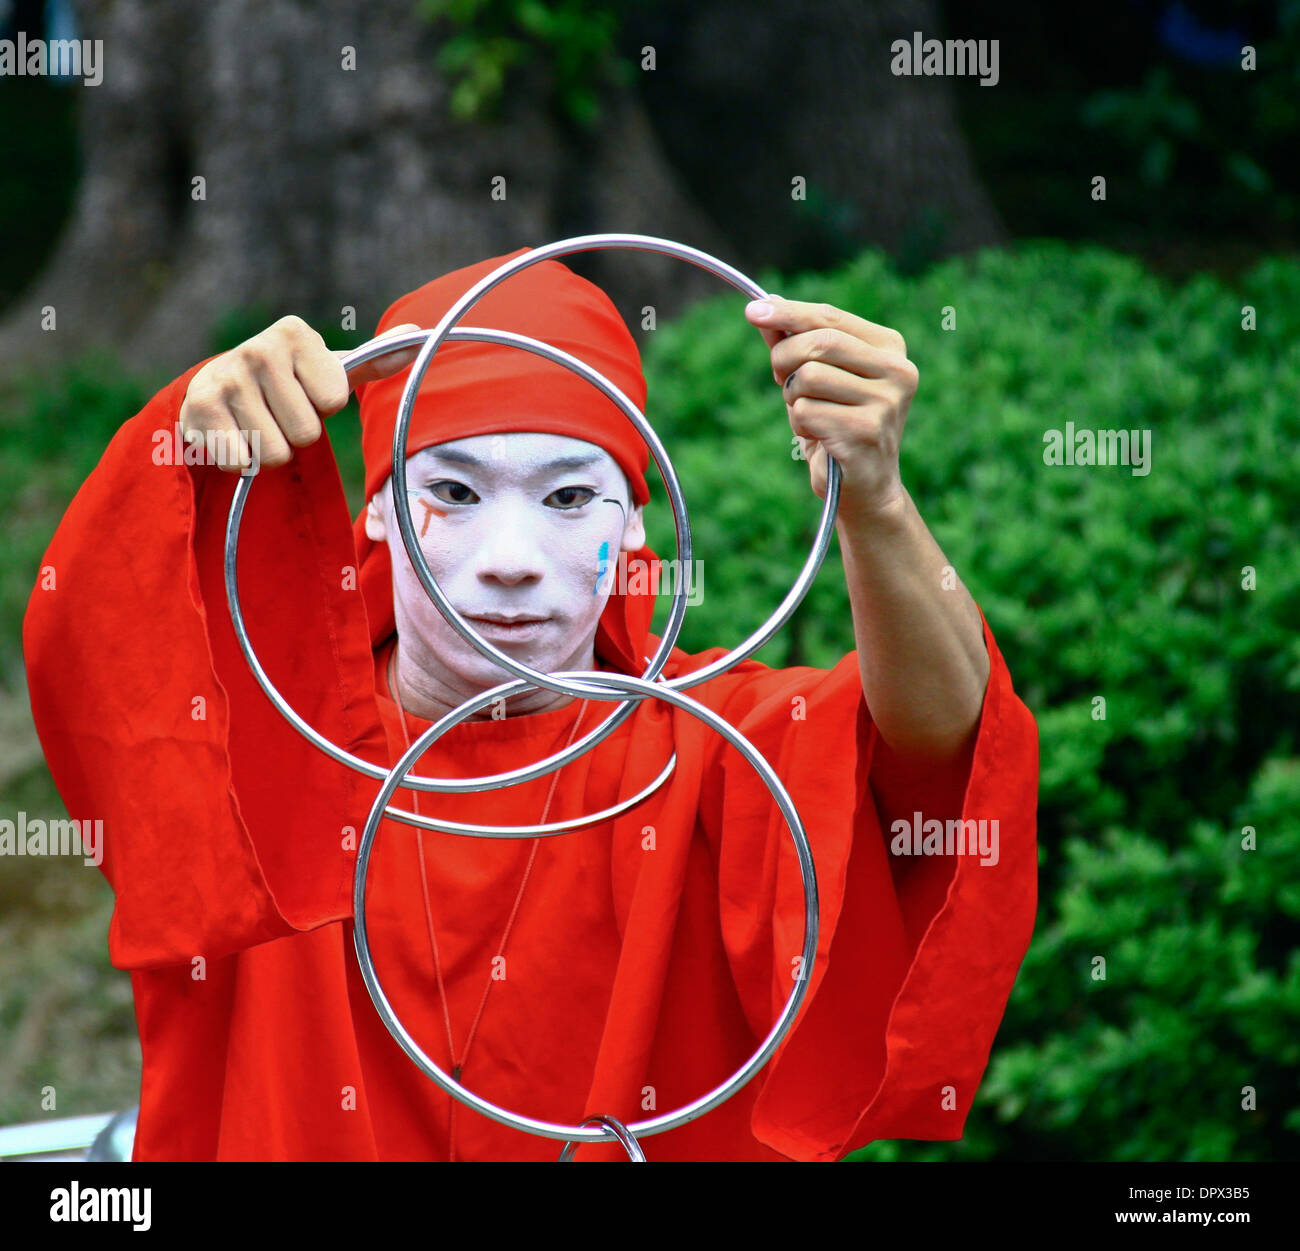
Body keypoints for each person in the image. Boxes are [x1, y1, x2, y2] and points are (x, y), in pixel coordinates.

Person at [22, 248, 1039, 1162]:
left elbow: (942, 755)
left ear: (637, 524)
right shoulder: (264, 748)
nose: (510, 564)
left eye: (566, 499)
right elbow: (104, 654)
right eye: (453, 494)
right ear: (374, 505)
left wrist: (875, 502)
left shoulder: (718, 744)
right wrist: (184, 441)